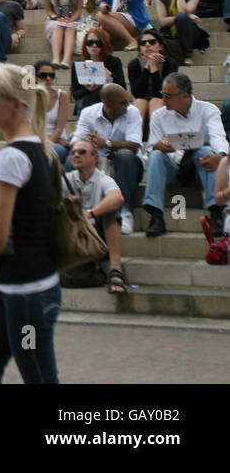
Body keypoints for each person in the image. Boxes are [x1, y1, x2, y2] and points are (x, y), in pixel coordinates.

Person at [0, 62, 62, 385]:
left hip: (26, 292)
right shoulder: (42, 148)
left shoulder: (14, 155)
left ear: (16, 105)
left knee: (39, 377)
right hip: (16, 287)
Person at [142, 72, 228, 237]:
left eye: (168, 96)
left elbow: (219, 137)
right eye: (162, 95)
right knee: (156, 155)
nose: (164, 99)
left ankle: (215, 212)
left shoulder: (207, 110)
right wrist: (159, 146)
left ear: (185, 96)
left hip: (200, 167)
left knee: (208, 151)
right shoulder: (159, 115)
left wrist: (220, 156)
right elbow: (152, 146)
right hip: (172, 168)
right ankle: (156, 216)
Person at [63, 139, 128, 296]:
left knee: (111, 211)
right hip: (75, 237)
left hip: (98, 239)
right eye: (73, 152)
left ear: (95, 158)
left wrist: (90, 214)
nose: (76, 155)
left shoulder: (103, 179)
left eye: (82, 152)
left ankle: (115, 270)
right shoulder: (67, 179)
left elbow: (117, 198)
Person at [70, 26, 127, 110]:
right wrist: (89, 89)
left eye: (98, 43)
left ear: (103, 45)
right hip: (87, 101)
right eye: (90, 43)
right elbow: (75, 94)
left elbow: (123, 88)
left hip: (109, 99)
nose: (94, 46)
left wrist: (111, 77)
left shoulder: (113, 62)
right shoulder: (78, 64)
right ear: (85, 45)